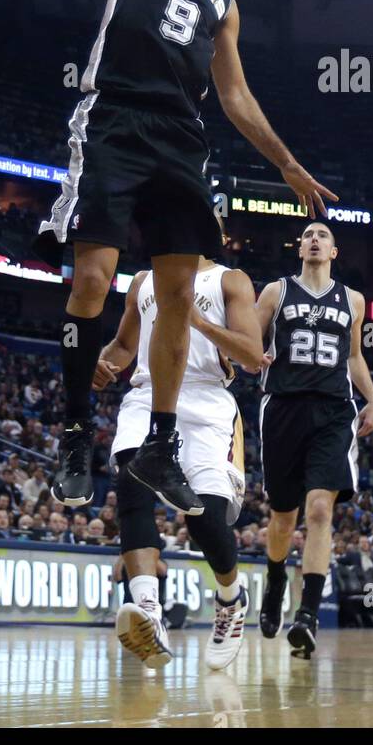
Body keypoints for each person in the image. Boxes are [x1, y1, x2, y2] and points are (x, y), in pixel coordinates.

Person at [35, 0, 335, 511]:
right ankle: (73, 429)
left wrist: (288, 164)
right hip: (115, 120)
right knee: (95, 279)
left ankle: (161, 442)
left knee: (175, 296)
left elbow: (234, 97)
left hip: (181, 139)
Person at [95, 254, 265, 670]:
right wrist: (103, 363)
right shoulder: (141, 281)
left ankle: (230, 597)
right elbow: (123, 345)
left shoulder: (230, 280)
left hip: (206, 399)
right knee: (132, 488)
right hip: (147, 394)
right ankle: (149, 610)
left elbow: (252, 354)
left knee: (203, 519)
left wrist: (196, 320)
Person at [255, 222, 373, 658]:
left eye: (321, 234)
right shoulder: (275, 291)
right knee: (283, 518)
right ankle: (274, 581)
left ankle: (306, 616)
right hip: (283, 407)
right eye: (308, 234)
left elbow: (354, 356)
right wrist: (255, 353)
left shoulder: (353, 300)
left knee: (321, 508)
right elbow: (249, 336)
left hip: (332, 410)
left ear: (334, 250)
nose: (313, 239)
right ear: (299, 247)